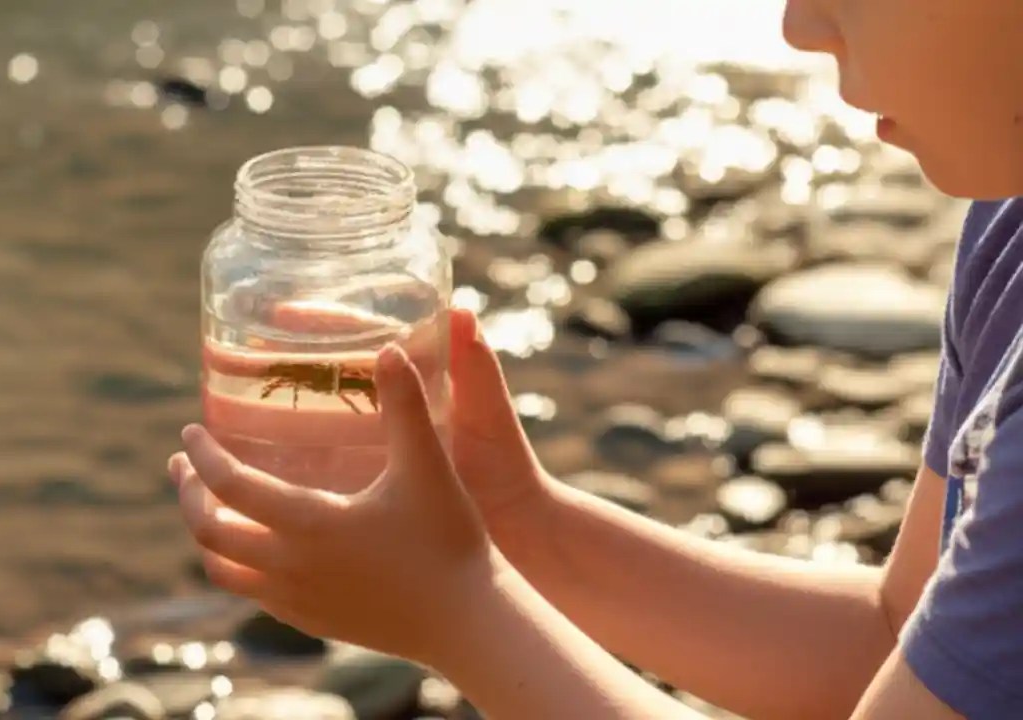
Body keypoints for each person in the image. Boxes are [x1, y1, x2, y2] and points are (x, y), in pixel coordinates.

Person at [167, 0, 1023, 716]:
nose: (800, 26)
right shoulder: (1006, 223)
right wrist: (518, 526)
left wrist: (458, 614)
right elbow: (894, 636)